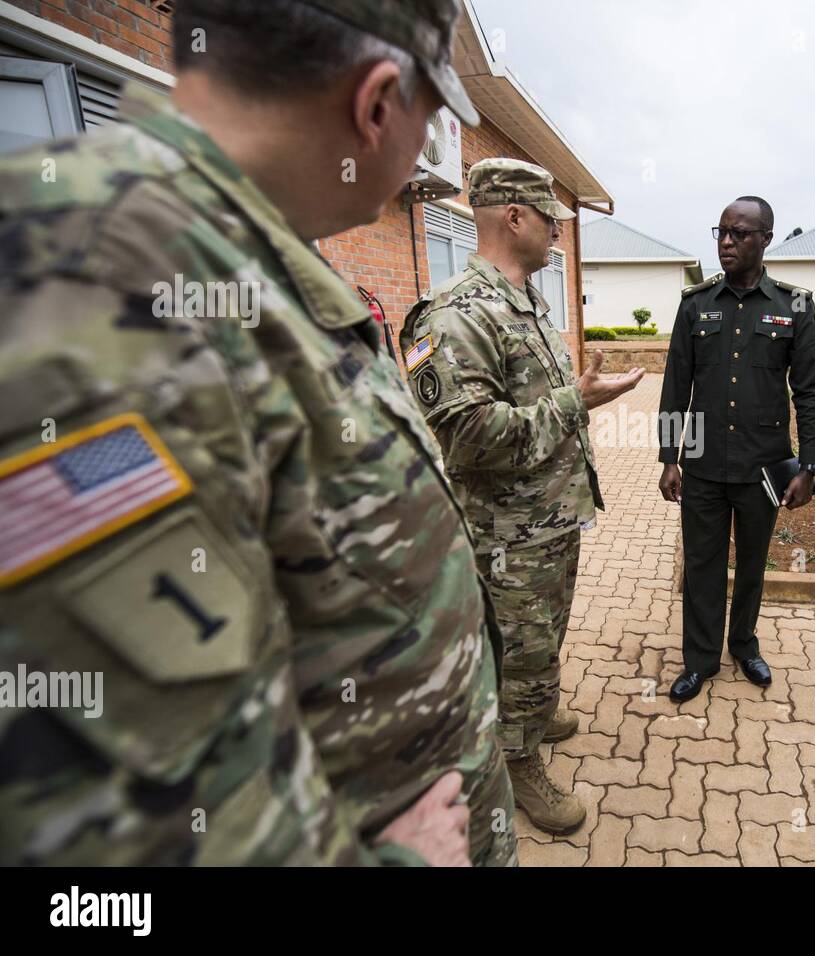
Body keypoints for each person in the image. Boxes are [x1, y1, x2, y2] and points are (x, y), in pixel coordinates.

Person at [0, 0, 514, 866]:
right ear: (378, 101)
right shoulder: (108, 279)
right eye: (431, 121)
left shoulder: (240, 244)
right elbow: (134, 836)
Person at [400, 158, 643, 834]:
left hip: (550, 518)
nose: (558, 237)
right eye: (550, 221)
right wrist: (578, 400)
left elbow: (541, 405)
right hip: (507, 533)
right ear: (514, 216)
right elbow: (470, 435)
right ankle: (515, 759)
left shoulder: (528, 301)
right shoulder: (450, 314)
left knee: (542, 637)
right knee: (517, 645)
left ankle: (534, 711)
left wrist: (580, 400)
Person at [657, 196, 815, 703]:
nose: (726, 242)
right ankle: (700, 659)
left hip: (764, 466)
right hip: (704, 463)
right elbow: (675, 386)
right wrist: (670, 457)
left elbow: (810, 391)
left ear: (765, 239)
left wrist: (810, 465)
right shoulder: (695, 304)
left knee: (752, 562)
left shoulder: (794, 305)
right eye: (721, 232)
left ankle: (744, 644)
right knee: (703, 563)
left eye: (739, 233)